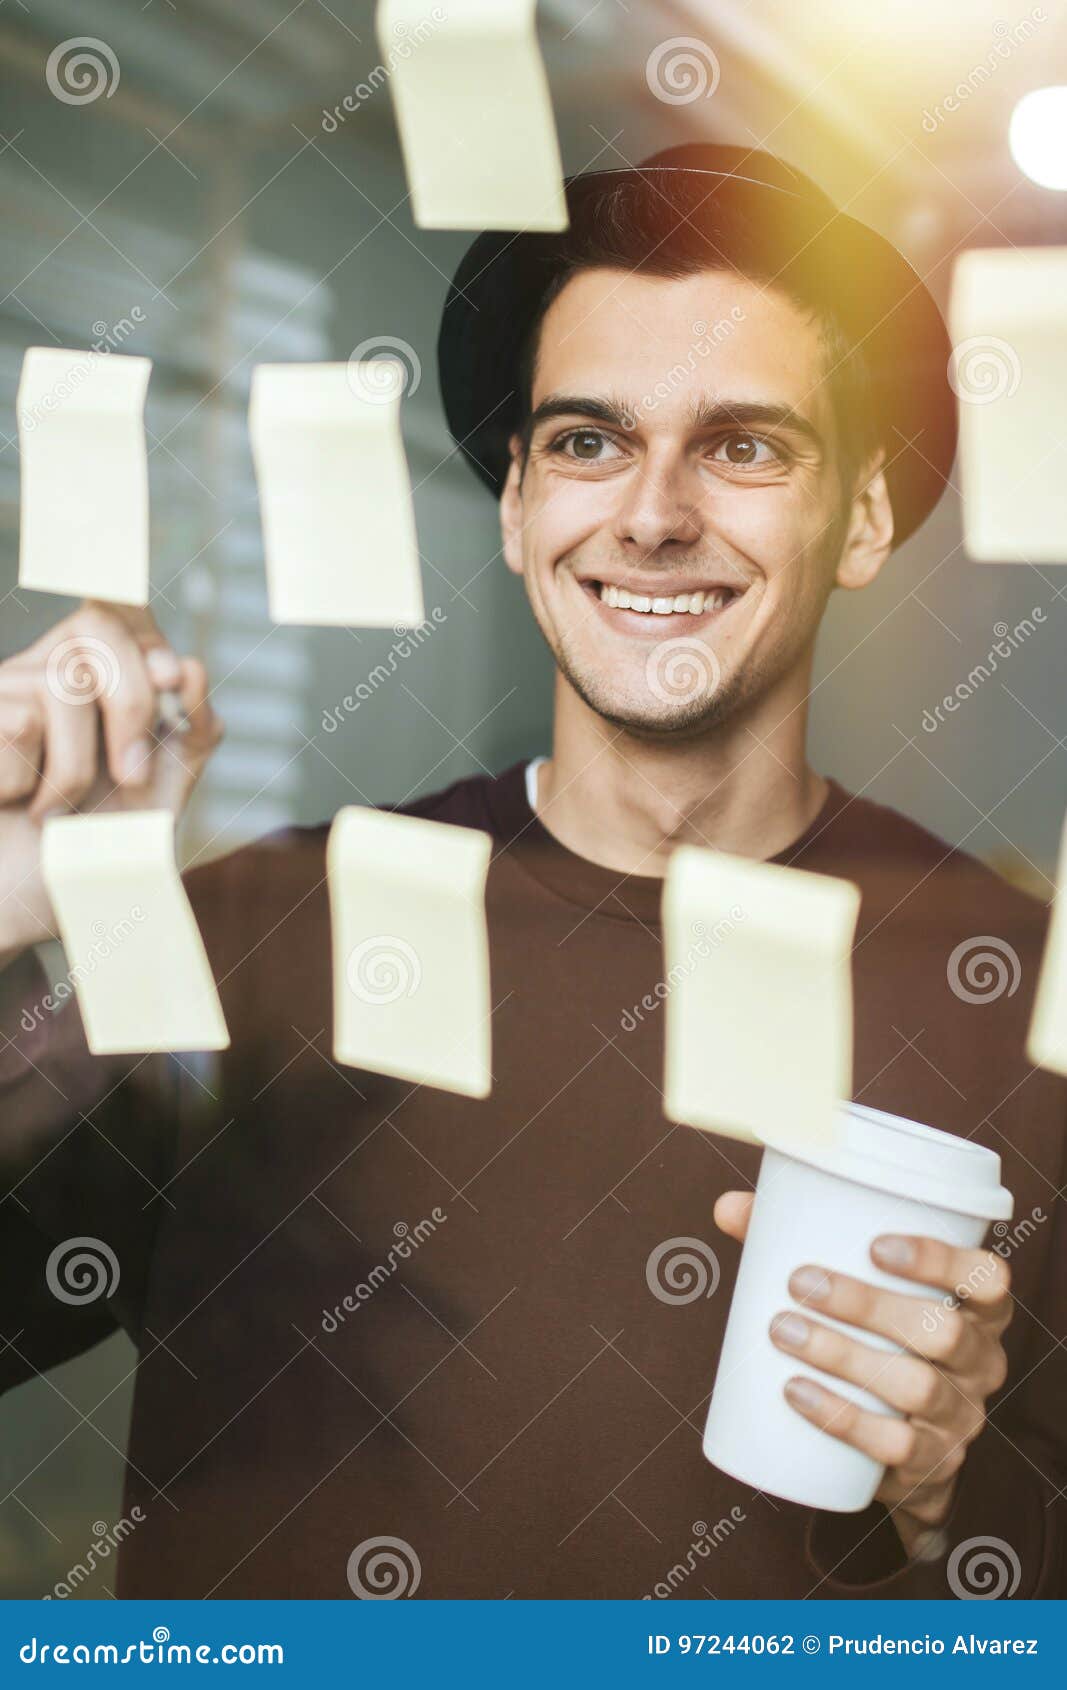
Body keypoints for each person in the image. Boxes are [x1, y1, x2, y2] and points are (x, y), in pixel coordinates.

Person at [0, 144, 1062, 1600]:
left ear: (864, 516)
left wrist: (958, 1491)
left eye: (744, 445)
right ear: (514, 507)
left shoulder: (1012, 984)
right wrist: (6, 918)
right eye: (587, 441)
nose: (651, 514)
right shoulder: (256, 931)